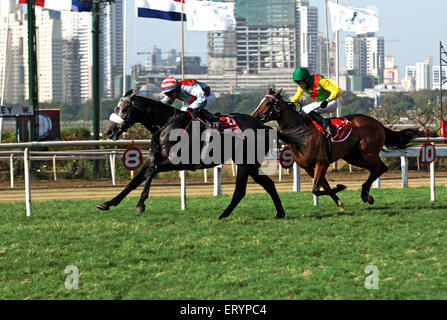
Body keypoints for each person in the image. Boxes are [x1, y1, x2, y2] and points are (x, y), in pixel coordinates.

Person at [290, 67, 341, 137]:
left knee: (308, 111)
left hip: (331, 102)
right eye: (297, 83)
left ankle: (328, 126)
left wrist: (327, 100)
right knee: (301, 112)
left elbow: (337, 90)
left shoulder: (321, 81)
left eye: (300, 83)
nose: (300, 86)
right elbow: (296, 97)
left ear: (307, 79)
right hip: (320, 103)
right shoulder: (302, 87)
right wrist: (291, 103)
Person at [160, 76, 224, 131]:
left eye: (169, 93)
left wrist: (195, 109)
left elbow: (202, 97)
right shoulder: (173, 92)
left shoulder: (187, 87)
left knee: (190, 110)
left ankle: (216, 121)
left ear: (176, 88)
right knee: (182, 113)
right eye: (166, 94)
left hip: (208, 97)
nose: (168, 96)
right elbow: (164, 103)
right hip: (195, 100)